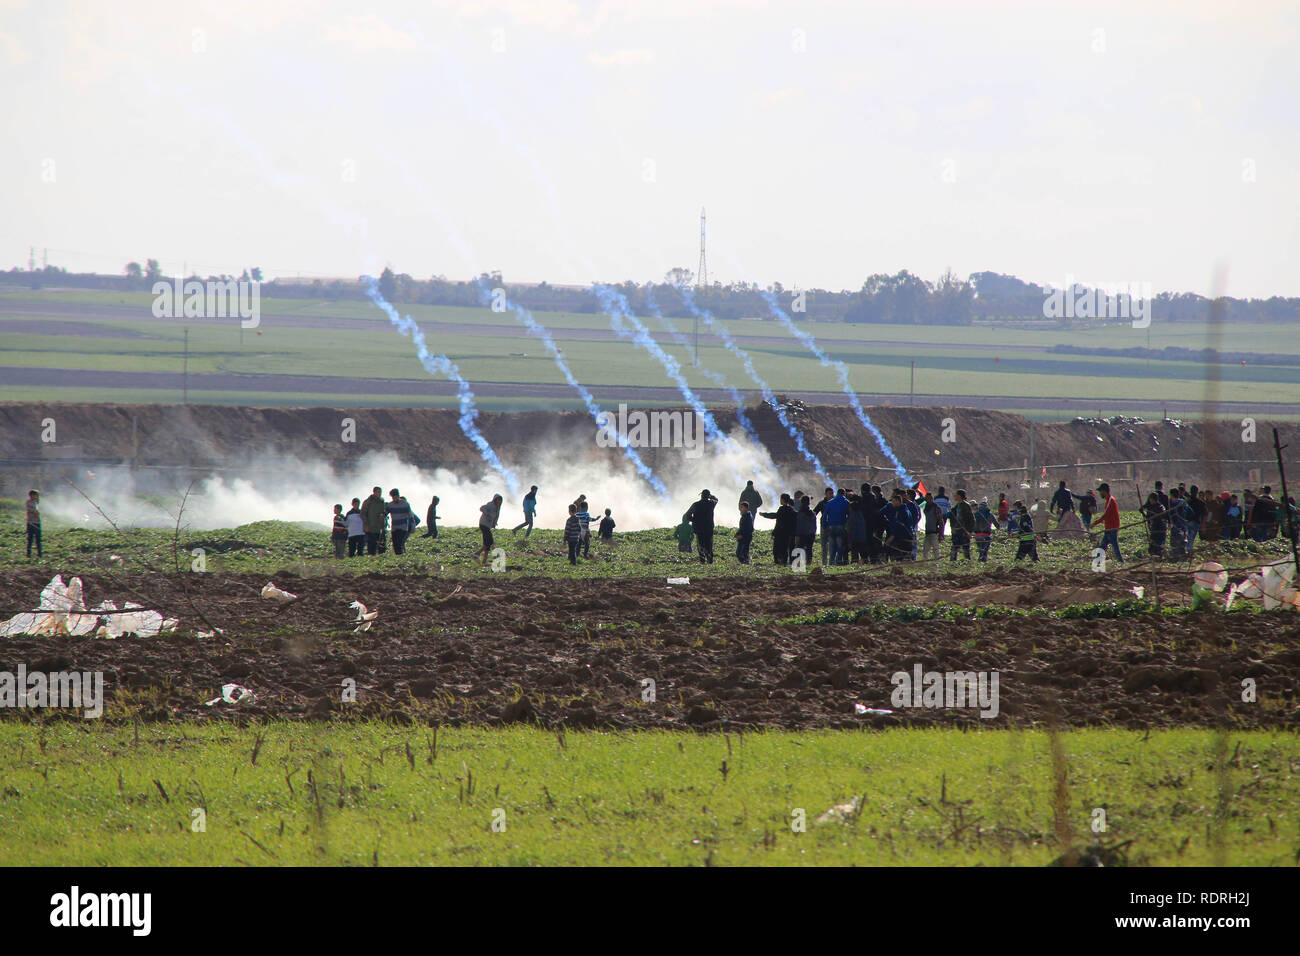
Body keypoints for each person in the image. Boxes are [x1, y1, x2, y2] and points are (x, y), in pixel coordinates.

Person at [761, 494, 797, 565]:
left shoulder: (782, 509)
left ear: (783, 500)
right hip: (788, 533)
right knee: (785, 548)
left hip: (780, 533)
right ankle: (784, 562)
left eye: (781, 499)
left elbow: (776, 518)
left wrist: (764, 515)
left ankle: (777, 562)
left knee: (776, 549)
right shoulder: (791, 510)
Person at [685, 489, 718, 564]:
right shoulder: (711, 503)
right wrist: (711, 496)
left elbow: (687, 515)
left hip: (699, 528)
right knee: (709, 545)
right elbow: (716, 499)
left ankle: (702, 561)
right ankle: (710, 561)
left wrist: (694, 520)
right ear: (708, 496)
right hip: (709, 528)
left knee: (700, 545)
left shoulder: (696, 505)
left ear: (701, 496)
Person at [1094, 482, 1123, 564]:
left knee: (1114, 546)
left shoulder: (1110, 500)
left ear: (1104, 491)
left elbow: (1105, 515)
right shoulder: (1108, 500)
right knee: (1103, 546)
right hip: (1109, 528)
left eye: (1100, 491)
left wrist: (1095, 523)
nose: (1100, 493)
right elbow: (1108, 515)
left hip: (1112, 528)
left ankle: (1121, 562)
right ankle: (1097, 562)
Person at [822, 488, 850, 565]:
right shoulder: (846, 502)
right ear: (844, 494)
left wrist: (824, 526)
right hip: (841, 526)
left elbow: (824, 516)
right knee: (840, 546)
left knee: (832, 546)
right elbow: (849, 515)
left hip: (831, 527)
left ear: (837, 493)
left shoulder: (829, 502)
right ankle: (838, 562)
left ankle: (831, 563)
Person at [361, 486, 387, 556]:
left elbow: (383, 513)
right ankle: (370, 555)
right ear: (374, 492)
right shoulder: (368, 501)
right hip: (370, 526)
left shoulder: (382, 502)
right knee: (371, 542)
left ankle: (375, 555)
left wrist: (383, 525)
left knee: (378, 542)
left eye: (380, 492)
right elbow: (363, 513)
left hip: (378, 526)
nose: (379, 494)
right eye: (378, 492)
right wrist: (366, 524)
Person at [386, 488, 414, 555]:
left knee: (399, 543)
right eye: (392, 497)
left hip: (403, 527)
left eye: (394, 497)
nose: (393, 499)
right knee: (395, 544)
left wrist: (413, 526)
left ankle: (400, 556)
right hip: (394, 528)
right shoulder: (390, 505)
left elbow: (410, 516)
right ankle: (398, 556)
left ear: (398, 496)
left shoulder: (405, 504)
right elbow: (385, 513)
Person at [477, 494, 503, 565]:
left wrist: (494, 523)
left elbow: (495, 517)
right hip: (483, 524)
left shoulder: (497, 508)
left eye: (500, 500)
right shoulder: (491, 505)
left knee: (487, 543)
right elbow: (482, 508)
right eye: (497, 500)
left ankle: (483, 561)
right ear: (495, 500)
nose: (499, 501)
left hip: (487, 525)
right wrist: (487, 514)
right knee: (490, 542)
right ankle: (477, 554)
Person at [948, 490, 974, 561]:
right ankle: (952, 565)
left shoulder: (966, 506)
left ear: (959, 496)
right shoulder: (956, 507)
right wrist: (953, 528)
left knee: (966, 550)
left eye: (956, 495)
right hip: (957, 531)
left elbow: (971, 520)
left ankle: (967, 566)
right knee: (954, 549)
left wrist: (969, 531)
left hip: (964, 532)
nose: (955, 496)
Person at [1140, 492, 1166, 558]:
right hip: (1153, 526)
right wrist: (1145, 515)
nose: (1150, 501)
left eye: (1151, 500)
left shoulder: (1160, 507)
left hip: (1160, 527)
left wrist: (1150, 516)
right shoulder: (1148, 505)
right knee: (1153, 542)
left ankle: (1158, 555)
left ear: (1155, 500)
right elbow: (1141, 509)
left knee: (1158, 542)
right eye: (1150, 500)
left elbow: (1161, 516)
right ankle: (1154, 555)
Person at [812, 487, 834, 565]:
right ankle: (824, 562)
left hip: (833, 526)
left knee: (832, 545)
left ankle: (832, 562)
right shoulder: (821, 503)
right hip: (824, 526)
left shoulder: (835, 502)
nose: (832, 495)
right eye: (830, 493)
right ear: (826, 494)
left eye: (832, 493)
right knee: (824, 545)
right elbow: (815, 512)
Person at [794, 495, 817, 563]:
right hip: (811, 534)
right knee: (809, 549)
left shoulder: (799, 513)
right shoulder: (812, 513)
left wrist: (797, 534)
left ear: (801, 502)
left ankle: (799, 563)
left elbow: (799, 525)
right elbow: (815, 525)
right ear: (809, 503)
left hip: (801, 534)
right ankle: (808, 562)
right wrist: (814, 533)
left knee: (799, 549)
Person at [973, 497, 997, 562]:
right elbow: (997, 524)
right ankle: (983, 561)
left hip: (977, 535)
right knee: (985, 550)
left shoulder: (975, 514)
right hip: (986, 535)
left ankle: (980, 561)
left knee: (980, 549)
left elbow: (972, 524)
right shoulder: (990, 514)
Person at [921, 492, 943, 560]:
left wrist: (940, 534)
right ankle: (926, 565)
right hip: (928, 532)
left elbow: (940, 521)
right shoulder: (926, 507)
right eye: (926, 499)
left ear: (932, 499)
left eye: (928, 498)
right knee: (925, 551)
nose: (927, 500)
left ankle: (937, 565)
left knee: (936, 551)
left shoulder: (936, 508)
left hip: (934, 532)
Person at [25, 489, 41, 559]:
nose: (37, 496)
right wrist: (36, 512)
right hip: (31, 523)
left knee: (38, 540)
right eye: (36, 495)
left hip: (37, 522)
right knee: (30, 539)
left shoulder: (36, 502)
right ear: (32, 495)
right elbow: (34, 511)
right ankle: (28, 554)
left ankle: (39, 554)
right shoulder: (29, 502)